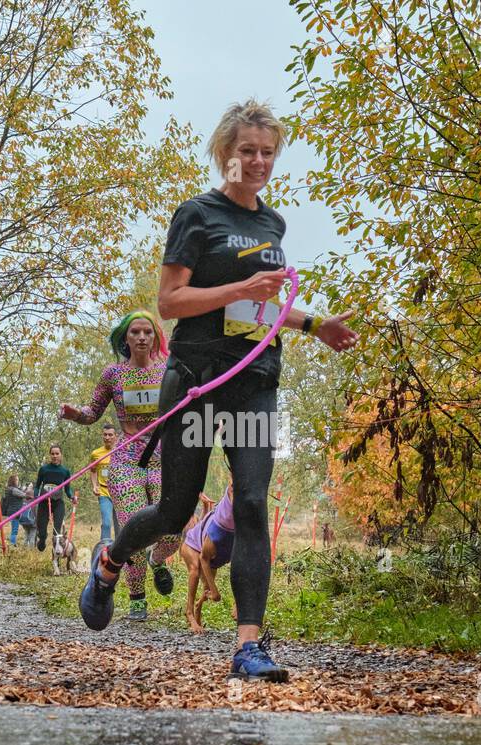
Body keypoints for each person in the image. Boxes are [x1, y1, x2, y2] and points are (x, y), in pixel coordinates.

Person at [79, 99, 360, 681]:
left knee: (252, 503)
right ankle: (109, 563)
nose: (258, 162)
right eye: (246, 151)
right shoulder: (196, 216)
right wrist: (241, 285)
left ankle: (248, 647)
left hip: (255, 383)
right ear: (224, 155)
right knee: (175, 512)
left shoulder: (273, 224)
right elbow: (169, 303)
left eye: (267, 152)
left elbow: (263, 302)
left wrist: (311, 323)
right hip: (197, 382)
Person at [61, 310, 181, 622]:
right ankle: (137, 600)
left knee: (172, 533)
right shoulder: (113, 374)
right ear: (125, 338)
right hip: (127, 462)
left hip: (162, 460)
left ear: (155, 338)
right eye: (135, 333)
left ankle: (159, 560)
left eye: (147, 333)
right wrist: (76, 414)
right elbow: (93, 411)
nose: (142, 338)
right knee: (135, 531)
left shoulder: (169, 370)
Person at [34, 445, 76, 551]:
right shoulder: (43, 469)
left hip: (58, 503)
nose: (55, 456)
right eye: (52, 454)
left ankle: (56, 553)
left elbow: (67, 489)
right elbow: (37, 486)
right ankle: (42, 540)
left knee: (56, 532)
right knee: (42, 531)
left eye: (57, 454)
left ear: (61, 455)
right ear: (50, 455)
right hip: (44, 502)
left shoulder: (65, 471)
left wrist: (71, 497)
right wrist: (35, 497)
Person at [89, 423, 120, 542]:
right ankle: (104, 549)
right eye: (105, 435)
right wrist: (94, 485)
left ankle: (120, 554)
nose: (107, 437)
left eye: (110, 435)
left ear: (115, 436)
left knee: (120, 526)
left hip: (119, 493)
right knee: (106, 523)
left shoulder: (121, 451)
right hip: (104, 492)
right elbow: (93, 471)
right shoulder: (96, 453)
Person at [1, 475, 27, 547]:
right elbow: (24, 495)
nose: (18, 481)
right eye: (17, 480)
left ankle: (13, 543)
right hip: (15, 512)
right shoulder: (14, 490)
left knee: (14, 529)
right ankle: (12, 544)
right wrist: (28, 489)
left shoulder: (9, 489)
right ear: (14, 481)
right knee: (14, 530)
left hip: (11, 511)